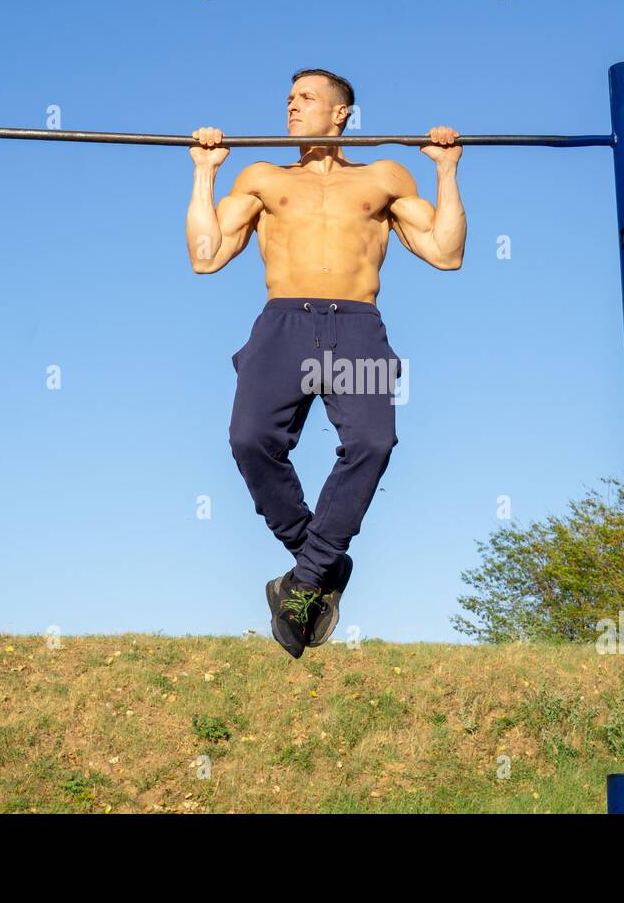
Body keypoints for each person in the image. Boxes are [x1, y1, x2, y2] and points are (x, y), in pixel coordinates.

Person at [186, 68, 464, 657]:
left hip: (356, 324)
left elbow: (447, 253)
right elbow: (205, 256)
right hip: (283, 322)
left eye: (305, 99)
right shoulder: (262, 176)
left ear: (341, 113)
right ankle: (320, 566)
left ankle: (306, 580)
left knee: (374, 442)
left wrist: (446, 169)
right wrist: (204, 174)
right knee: (249, 439)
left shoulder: (384, 177)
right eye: (287, 98)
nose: (291, 107)